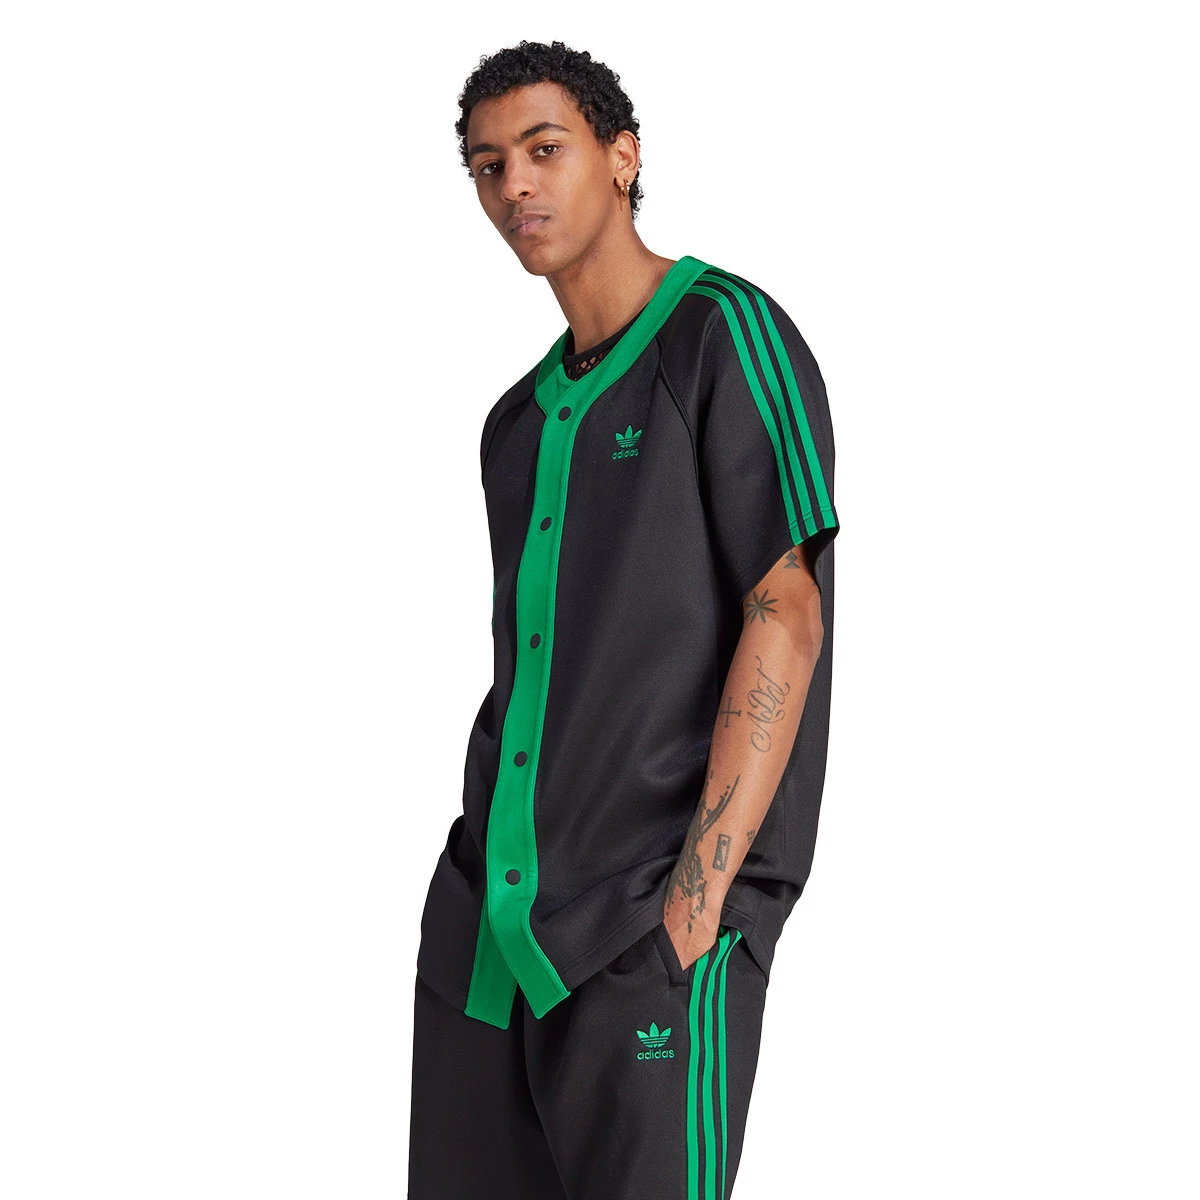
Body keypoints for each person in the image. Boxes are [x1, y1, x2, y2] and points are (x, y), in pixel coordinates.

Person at [408, 39, 840, 1200]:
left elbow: (785, 612)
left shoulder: (725, 336)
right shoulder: (515, 424)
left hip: (644, 932)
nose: (515, 185)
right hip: (484, 947)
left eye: (543, 149)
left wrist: (696, 907)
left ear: (622, 155)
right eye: (488, 165)